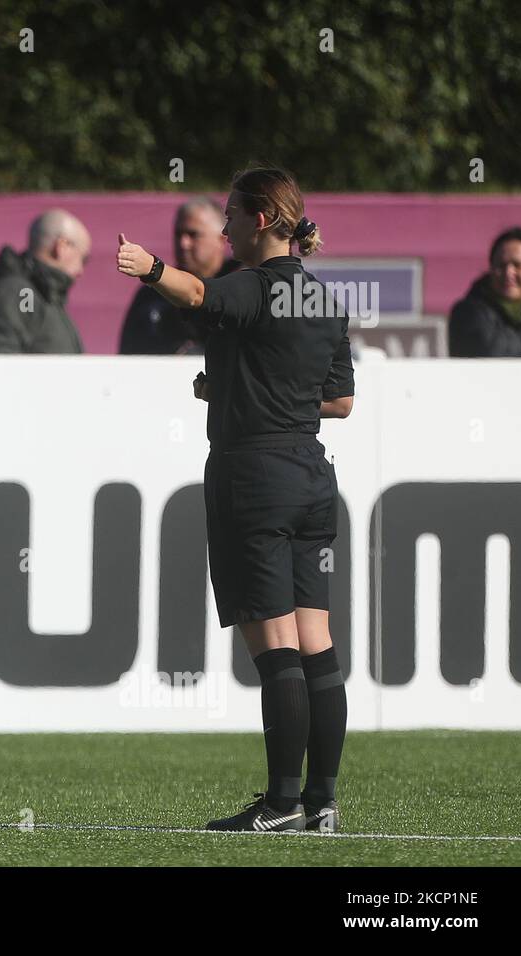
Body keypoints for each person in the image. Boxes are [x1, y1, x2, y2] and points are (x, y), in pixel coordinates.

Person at [117, 166, 353, 833]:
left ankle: (280, 804)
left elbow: (193, 291)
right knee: (318, 645)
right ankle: (322, 802)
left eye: (229, 215)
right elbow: (339, 401)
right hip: (311, 474)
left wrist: (146, 265)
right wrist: (243, 390)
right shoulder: (325, 302)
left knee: (276, 646)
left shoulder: (248, 288)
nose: (221, 227)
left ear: (258, 220)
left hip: (254, 479)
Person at [118, 197, 240, 355]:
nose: (184, 243)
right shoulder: (151, 295)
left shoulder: (238, 289)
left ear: (222, 239)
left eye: (193, 234)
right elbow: (128, 357)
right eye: (178, 234)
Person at [0, 209, 89, 354]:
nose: (81, 270)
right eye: (83, 259)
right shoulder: (23, 294)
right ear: (61, 247)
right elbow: (0, 364)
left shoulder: (44, 295)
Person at [448, 227, 521, 357]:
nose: (508, 273)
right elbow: (492, 351)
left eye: (517, 265)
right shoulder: (469, 311)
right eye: (501, 265)